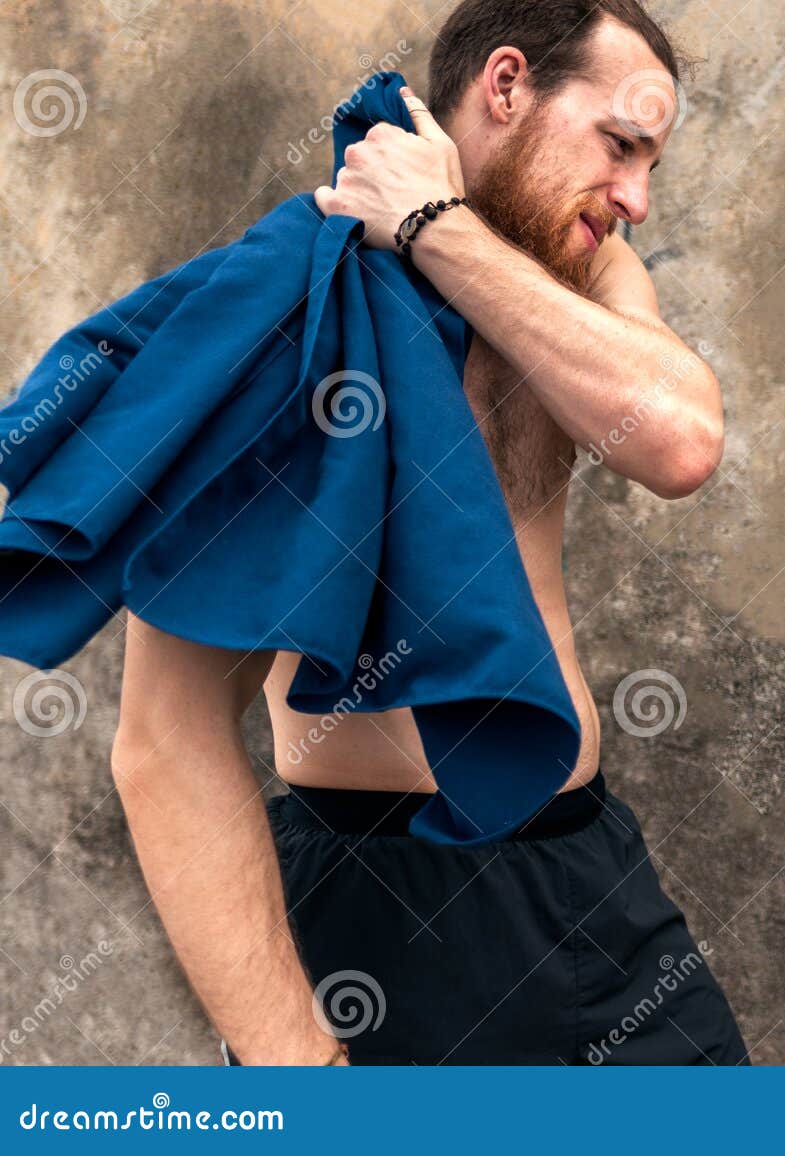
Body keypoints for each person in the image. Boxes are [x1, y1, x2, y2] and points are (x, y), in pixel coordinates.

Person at [109, 0, 748, 1065]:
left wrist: (436, 231)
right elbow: (163, 743)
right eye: (621, 146)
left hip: (583, 877)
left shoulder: (578, 278)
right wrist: (296, 1067)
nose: (635, 199)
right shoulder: (287, 315)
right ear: (507, 86)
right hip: (375, 918)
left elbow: (678, 442)